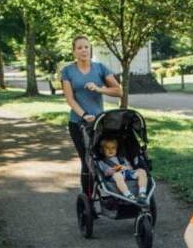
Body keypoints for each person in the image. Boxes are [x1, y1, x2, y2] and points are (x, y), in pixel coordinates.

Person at [61, 35, 123, 192]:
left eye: (86, 47)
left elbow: (119, 91)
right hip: (78, 123)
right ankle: (88, 196)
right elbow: (70, 99)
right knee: (86, 160)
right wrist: (83, 115)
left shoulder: (100, 68)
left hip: (99, 122)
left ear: (90, 49)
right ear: (74, 51)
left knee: (102, 156)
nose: (83, 50)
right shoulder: (67, 71)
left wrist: (99, 88)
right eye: (79, 47)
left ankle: (109, 189)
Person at [96, 138, 148, 203]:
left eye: (113, 148)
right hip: (114, 176)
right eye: (107, 148)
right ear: (102, 150)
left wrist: (125, 167)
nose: (110, 150)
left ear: (116, 149)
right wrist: (114, 170)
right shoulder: (102, 162)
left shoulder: (122, 158)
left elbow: (130, 167)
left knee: (142, 171)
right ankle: (128, 194)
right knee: (118, 175)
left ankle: (142, 193)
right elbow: (105, 173)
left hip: (126, 173)